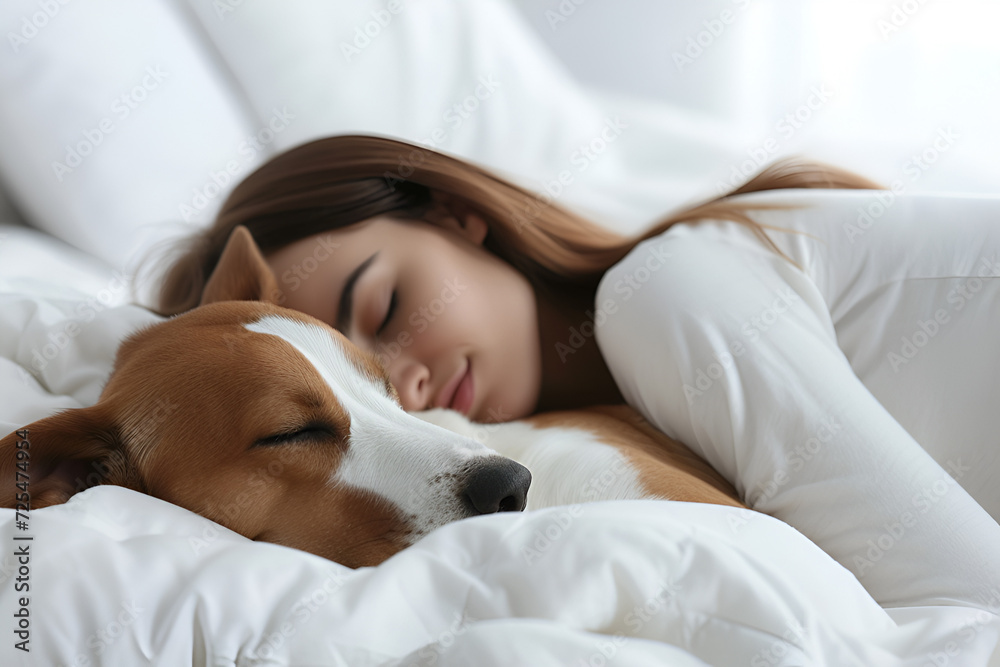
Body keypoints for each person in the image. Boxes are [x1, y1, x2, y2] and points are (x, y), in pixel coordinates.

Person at [155, 135, 1000, 615]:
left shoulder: (666, 294)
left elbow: (964, 602)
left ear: (459, 216)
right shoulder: (627, 423)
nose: (405, 385)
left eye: (385, 309)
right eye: (363, 378)